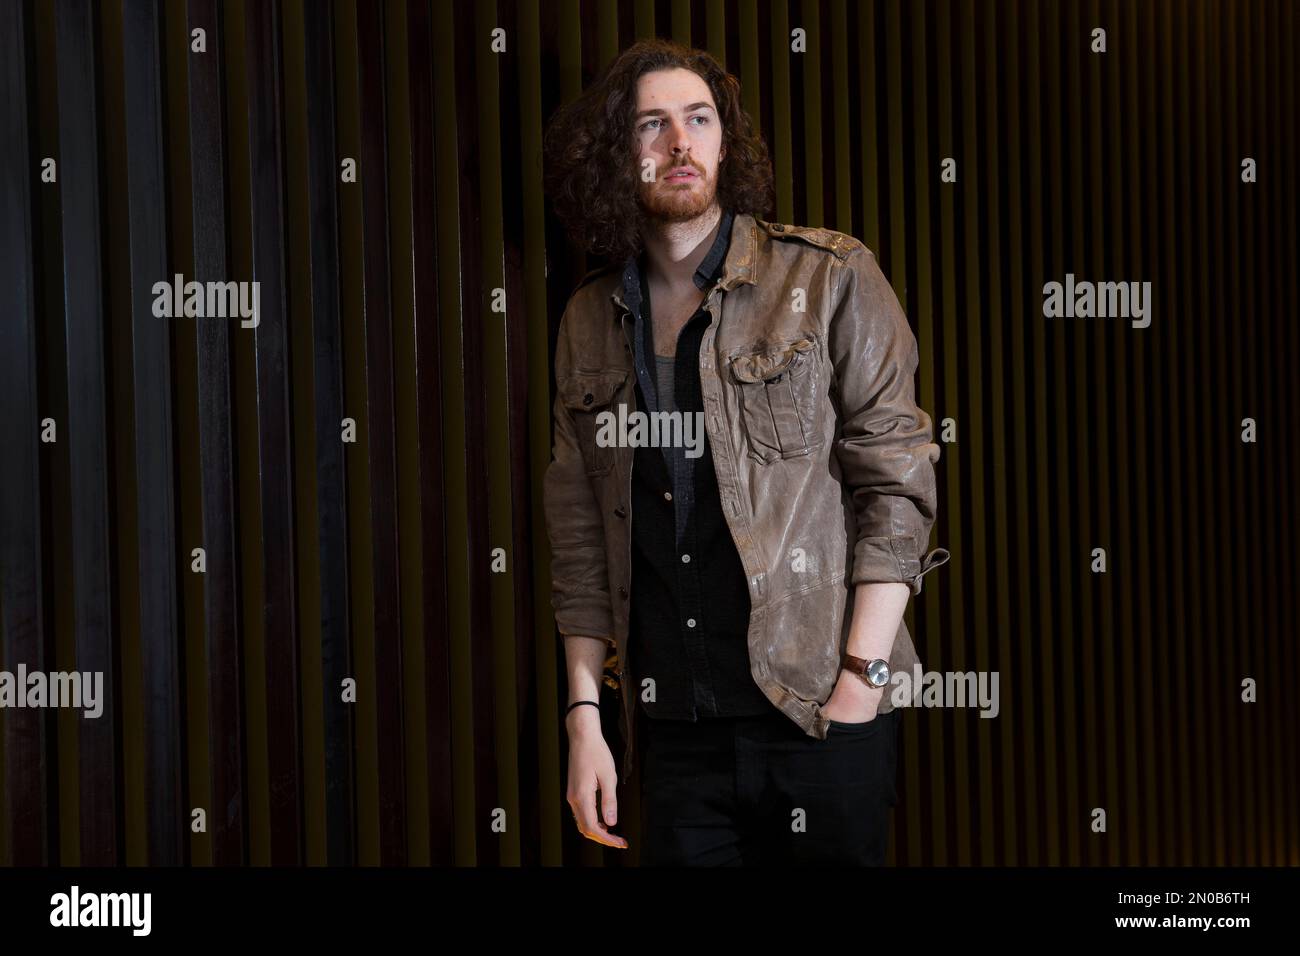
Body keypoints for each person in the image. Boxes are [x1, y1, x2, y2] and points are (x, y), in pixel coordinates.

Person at [541, 38, 949, 866]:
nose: (678, 143)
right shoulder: (588, 319)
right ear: (620, 153)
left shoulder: (830, 275)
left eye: (697, 119)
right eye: (650, 125)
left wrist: (859, 687)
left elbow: (898, 482)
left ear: (726, 143)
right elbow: (580, 535)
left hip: (817, 716)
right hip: (673, 735)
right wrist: (586, 718)